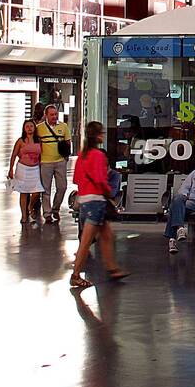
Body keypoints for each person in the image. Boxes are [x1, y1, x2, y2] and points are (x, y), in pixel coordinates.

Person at [70, 121, 129, 288]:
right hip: (96, 200)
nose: (103, 135)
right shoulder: (98, 156)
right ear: (97, 136)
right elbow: (101, 180)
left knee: (107, 235)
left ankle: (113, 268)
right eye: (101, 132)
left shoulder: (83, 155)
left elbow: (76, 179)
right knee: (87, 240)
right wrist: (109, 193)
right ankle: (76, 275)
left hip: (84, 198)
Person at [35, 104, 71, 225]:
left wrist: (66, 157)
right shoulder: (39, 128)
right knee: (46, 189)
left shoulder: (63, 126)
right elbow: (36, 144)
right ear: (46, 115)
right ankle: (47, 213)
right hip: (45, 162)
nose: (54, 116)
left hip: (60, 161)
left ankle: (56, 208)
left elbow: (68, 142)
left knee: (62, 187)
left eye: (55, 114)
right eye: (51, 115)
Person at [8, 119, 44, 229]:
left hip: (35, 168)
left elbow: (42, 154)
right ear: (24, 128)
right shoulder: (20, 141)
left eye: (31, 126)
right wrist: (11, 169)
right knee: (23, 192)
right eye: (27, 126)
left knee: (37, 192)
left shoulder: (39, 141)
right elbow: (14, 155)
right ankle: (24, 215)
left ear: (34, 128)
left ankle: (30, 206)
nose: (29, 128)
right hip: (23, 168)